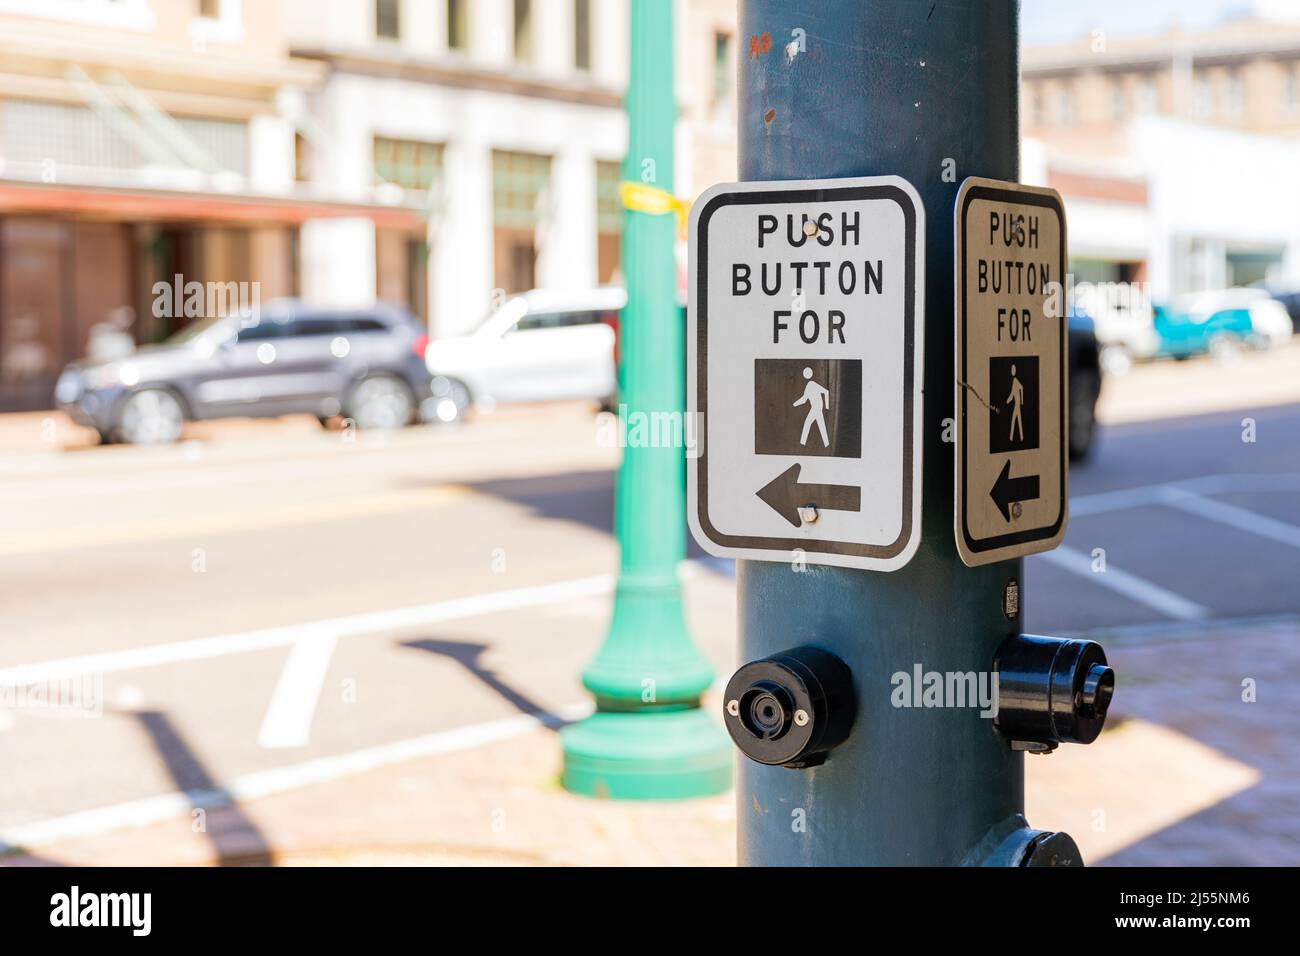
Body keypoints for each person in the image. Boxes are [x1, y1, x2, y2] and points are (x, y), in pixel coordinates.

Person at [794, 366, 830, 447]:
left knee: (807, 423)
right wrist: (795, 404)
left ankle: (802, 444)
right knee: (821, 426)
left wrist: (827, 407)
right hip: (816, 408)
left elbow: (826, 392)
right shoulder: (809, 385)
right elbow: (804, 399)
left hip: (816, 408)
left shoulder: (811, 384)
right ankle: (826, 444)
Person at [1007, 363, 1025, 443]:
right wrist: (1008, 400)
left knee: (1014, 420)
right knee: (1018, 420)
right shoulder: (1013, 381)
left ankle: (1011, 438)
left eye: (1013, 369)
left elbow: (1022, 387)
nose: (1012, 371)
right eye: (1011, 369)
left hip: (1017, 404)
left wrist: (1022, 400)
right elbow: (1012, 393)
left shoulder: (1015, 380)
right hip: (1016, 404)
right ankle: (1021, 437)